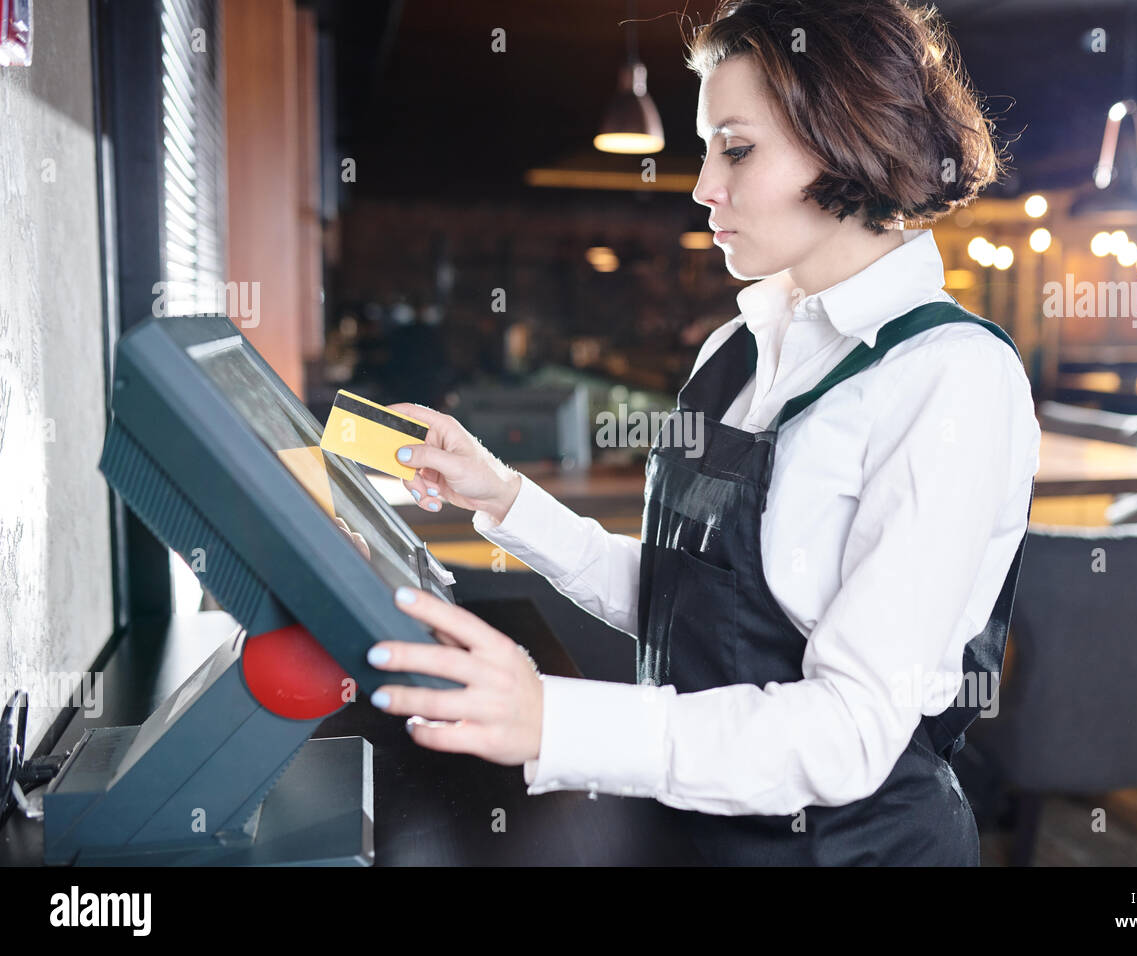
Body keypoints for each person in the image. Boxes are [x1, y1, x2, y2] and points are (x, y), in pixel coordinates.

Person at [365, 0, 1040, 865]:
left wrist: (553, 720)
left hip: (847, 848)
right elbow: (683, 605)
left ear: (846, 135)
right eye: (707, 147)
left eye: (738, 147)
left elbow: (849, 731)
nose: (701, 186)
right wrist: (505, 499)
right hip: (694, 827)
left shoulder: (951, 378)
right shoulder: (737, 347)